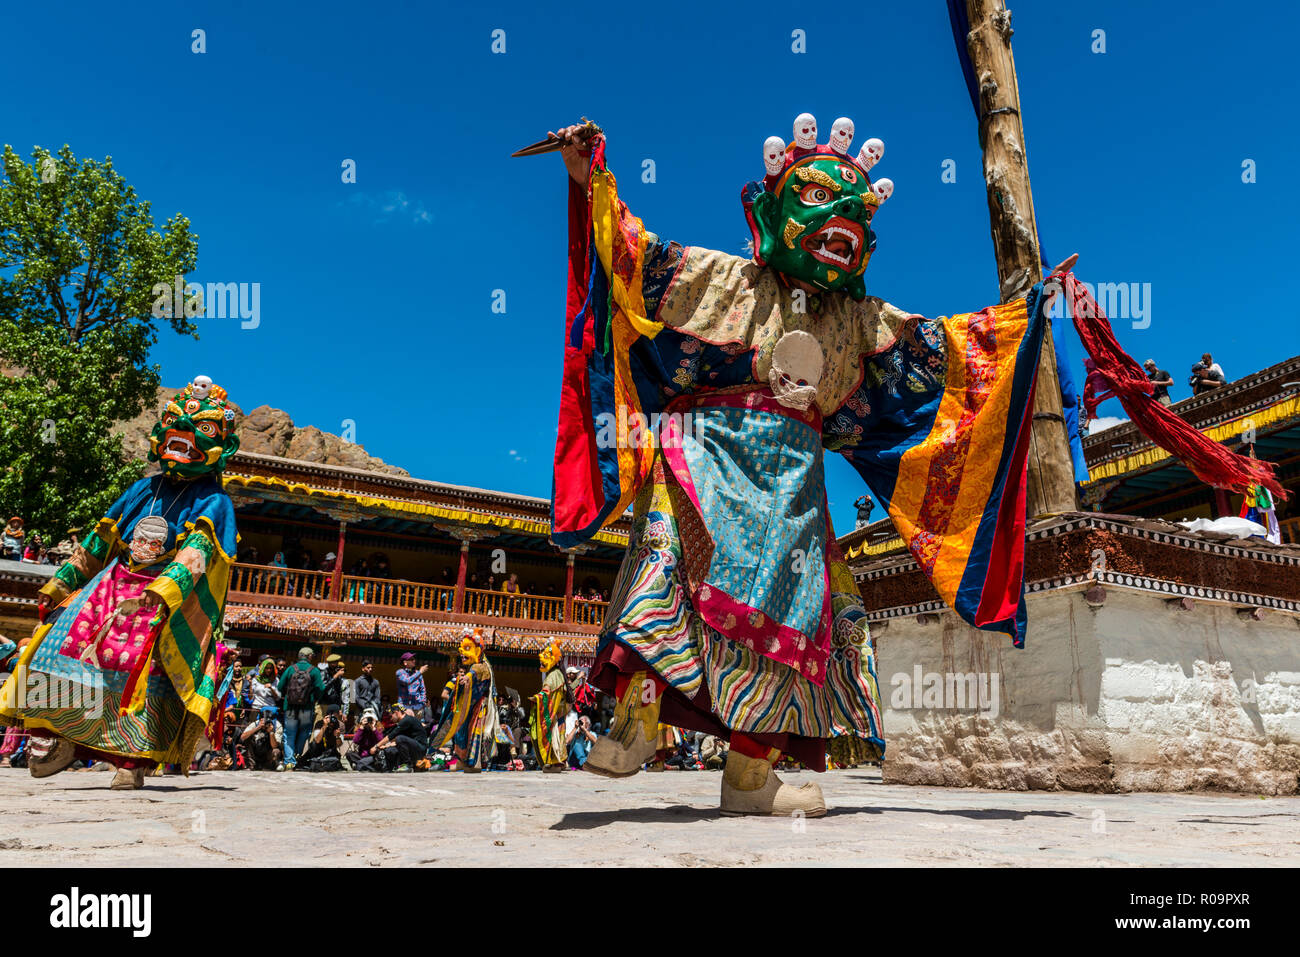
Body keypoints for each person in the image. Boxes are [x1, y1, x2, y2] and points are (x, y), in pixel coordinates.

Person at [541, 118, 1079, 816]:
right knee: (668, 568)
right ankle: (637, 717)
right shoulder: (726, 279)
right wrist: (590, 179)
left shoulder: (860, 321)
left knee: (797, 619)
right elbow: (634, 260)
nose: (840, 220)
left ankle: (749, 776)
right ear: (770, 213)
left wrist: (1026, 312)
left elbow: (949, 353)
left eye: (854, 210)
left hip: (793, 488)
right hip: (709, 458)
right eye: (820, 198)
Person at [0, 376, 240, 790]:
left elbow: (196, 555)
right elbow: (99, 540)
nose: (180, 439)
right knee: (61, 650)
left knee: (146, 673)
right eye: (174, 427)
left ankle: (132, 759)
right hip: (112, 586)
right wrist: (61, 583)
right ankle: (63, 738)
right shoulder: (142, 488)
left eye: (198, 431)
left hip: (164, 597)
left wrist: (162, 593)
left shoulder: (215, 501)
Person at [429, 628, 498, 771]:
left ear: (478, 650)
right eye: (462, 649)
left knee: (474, 732)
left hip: (479, 707)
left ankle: (474, 762)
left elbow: (475, 672)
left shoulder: (482, 666)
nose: (462, 652)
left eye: (467, 648)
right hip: (468, 706)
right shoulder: (475, 666)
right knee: (461, 731)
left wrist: (467, 678)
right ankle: (462, 760)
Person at [277, 646, 325, 769]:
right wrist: (313, 698)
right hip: (307, 707)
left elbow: (280, 686)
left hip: (290, 708)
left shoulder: (290, 669)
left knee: (289, 734)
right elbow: (320, 689)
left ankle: (289, 761)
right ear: (309, 656)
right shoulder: (314, 671)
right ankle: (297, 754)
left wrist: (288, 695)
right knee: (304, 732)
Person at [528, 641, 572, 772]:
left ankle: (554, 763)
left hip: (554, 715)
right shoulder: (559, 674)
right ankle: (561, 762)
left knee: (551, 736)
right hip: (560, 714)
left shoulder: (552, 676)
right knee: (559, 737)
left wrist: (536, 698)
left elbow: (546, 692)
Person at [372, 706, 428, 771]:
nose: (391, 719)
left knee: (399, 738)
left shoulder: (406, 720)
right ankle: (398, 766)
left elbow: (390, 736)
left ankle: (408, 765)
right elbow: (398, 742)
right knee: (391, 749)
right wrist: (385, 746)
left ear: (396, 713)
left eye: (391, 716)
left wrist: (376, 746)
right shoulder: (405, 722)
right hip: (415, 748)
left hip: (421, 749)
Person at [394, 652, 431, 722]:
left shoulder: (418, 673)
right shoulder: (400, 672)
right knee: (406, 729)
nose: (414, 661)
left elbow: (422, 689)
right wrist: (420, 672)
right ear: (405, 663)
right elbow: (407, 681)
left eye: (414, 659)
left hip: (418, 707)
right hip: (404, 707)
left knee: (416, 729)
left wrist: (422, 703)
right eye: (411, 659)